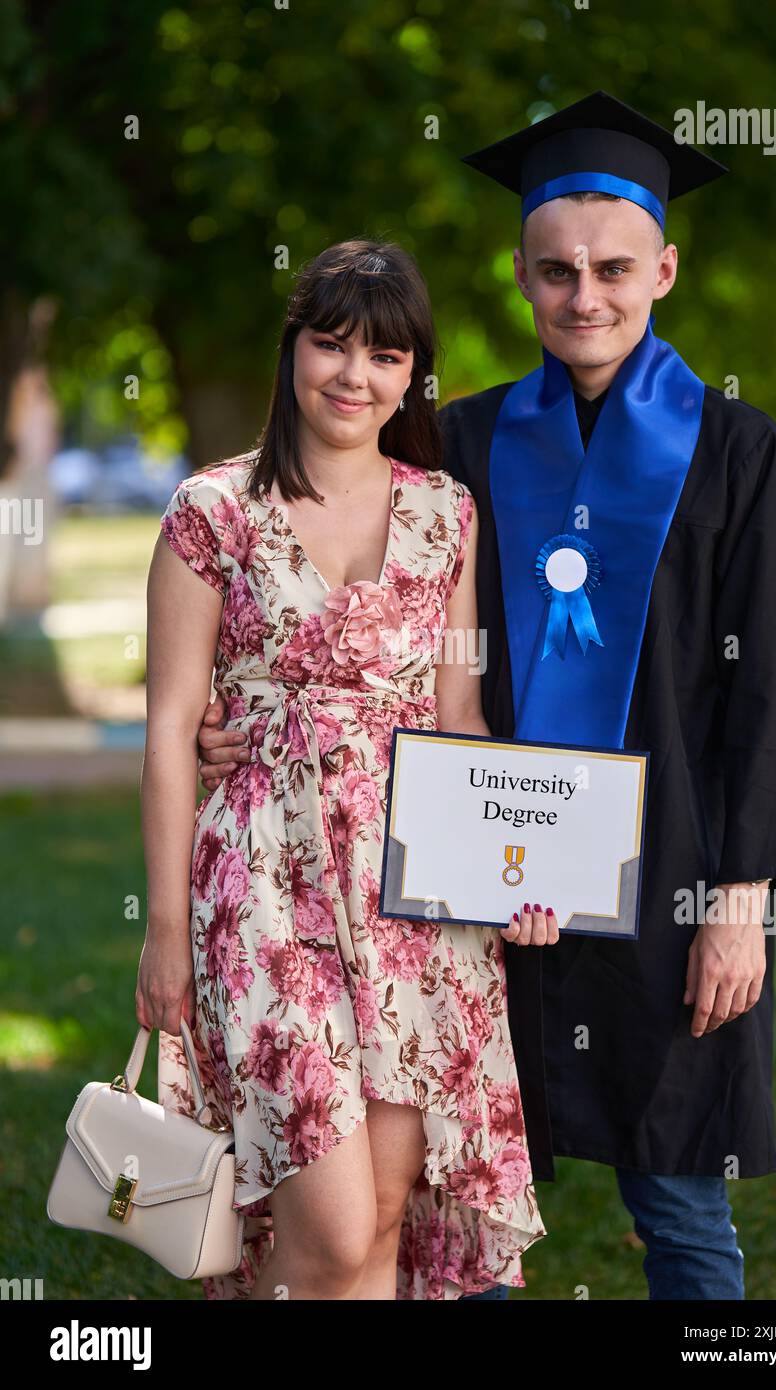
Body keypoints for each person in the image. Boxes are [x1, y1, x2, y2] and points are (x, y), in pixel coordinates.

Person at [196, 93, 776, 1301]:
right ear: (518, 277)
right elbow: (368, 624)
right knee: (466, 1182)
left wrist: (741, 896)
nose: (584, 295)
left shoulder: (735, 447)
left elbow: (772, 678)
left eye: (613, 268)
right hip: (470, 882)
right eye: (555, 272)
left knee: (674, 1190)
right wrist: (228, 714)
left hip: (669, 868)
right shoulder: (457, 441)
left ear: (662, 266)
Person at [139, 238, 557, 1302]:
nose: (352, 376)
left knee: (378, 1221)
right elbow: (170, 724)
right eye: (330, 345)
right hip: (263, 891)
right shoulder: (212, 511)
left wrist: (509, 871)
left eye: (383, 356)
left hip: (412, 897)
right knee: (323, 1229)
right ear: (293, 352)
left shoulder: (445, 513)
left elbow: (457, 713)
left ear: (412, 375)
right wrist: (166, 930)